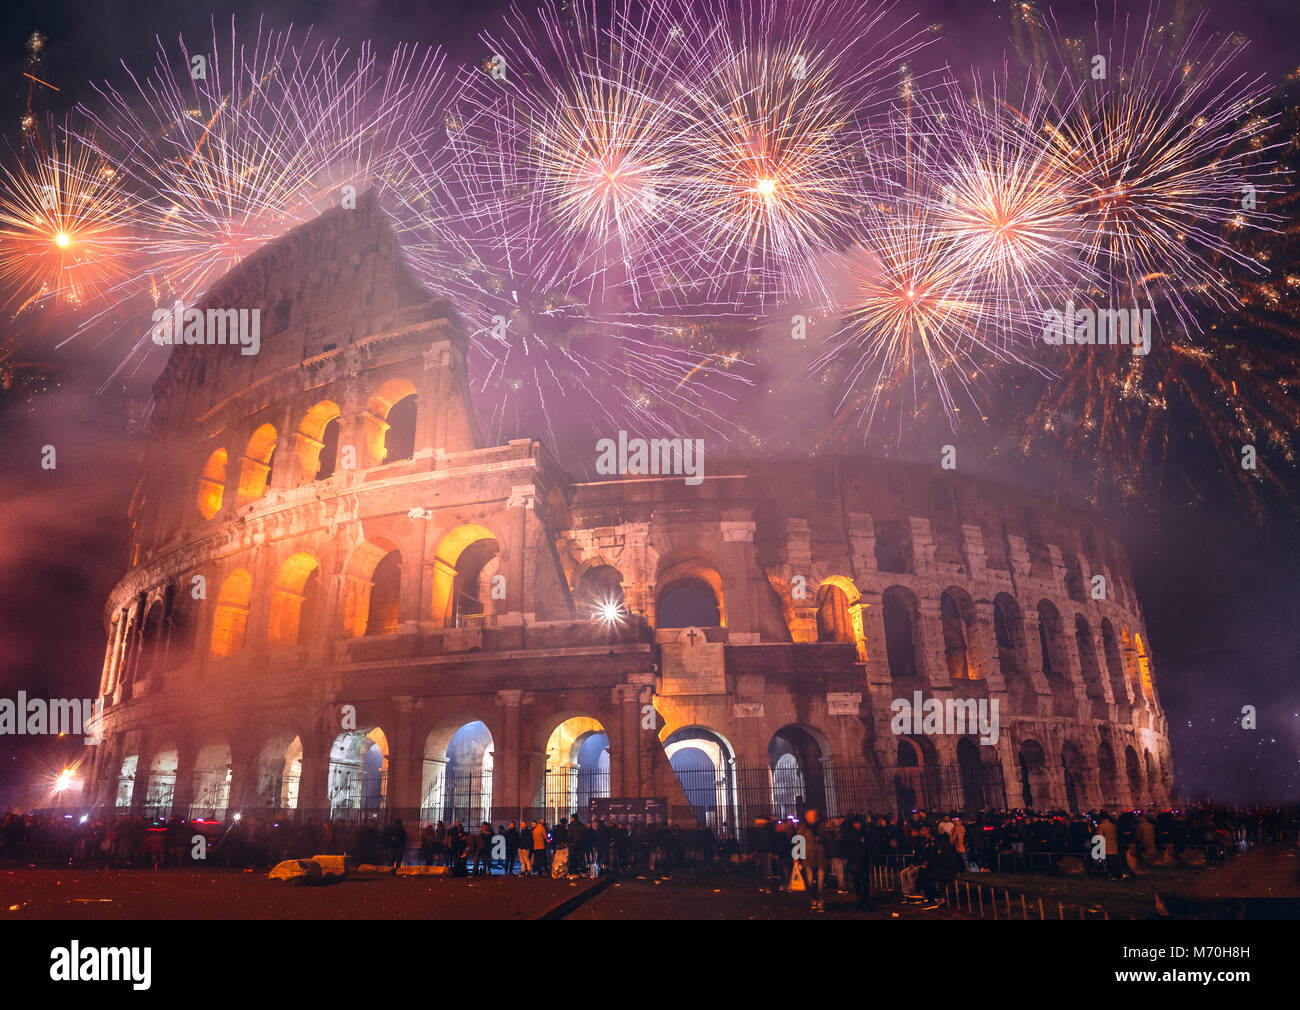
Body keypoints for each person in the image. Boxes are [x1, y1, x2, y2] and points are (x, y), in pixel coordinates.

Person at [794, 809, 828, 912]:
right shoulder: (803, 828)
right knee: (809, 882)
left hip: (821, 858)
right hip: (808, 859)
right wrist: (796, 856)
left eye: (813, 815)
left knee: (820, 883)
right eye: (809, 815)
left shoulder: (822, 827)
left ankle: (820, 900)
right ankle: (814, 898)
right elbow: (798, 842)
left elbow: (827, 841)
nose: (811, 817)